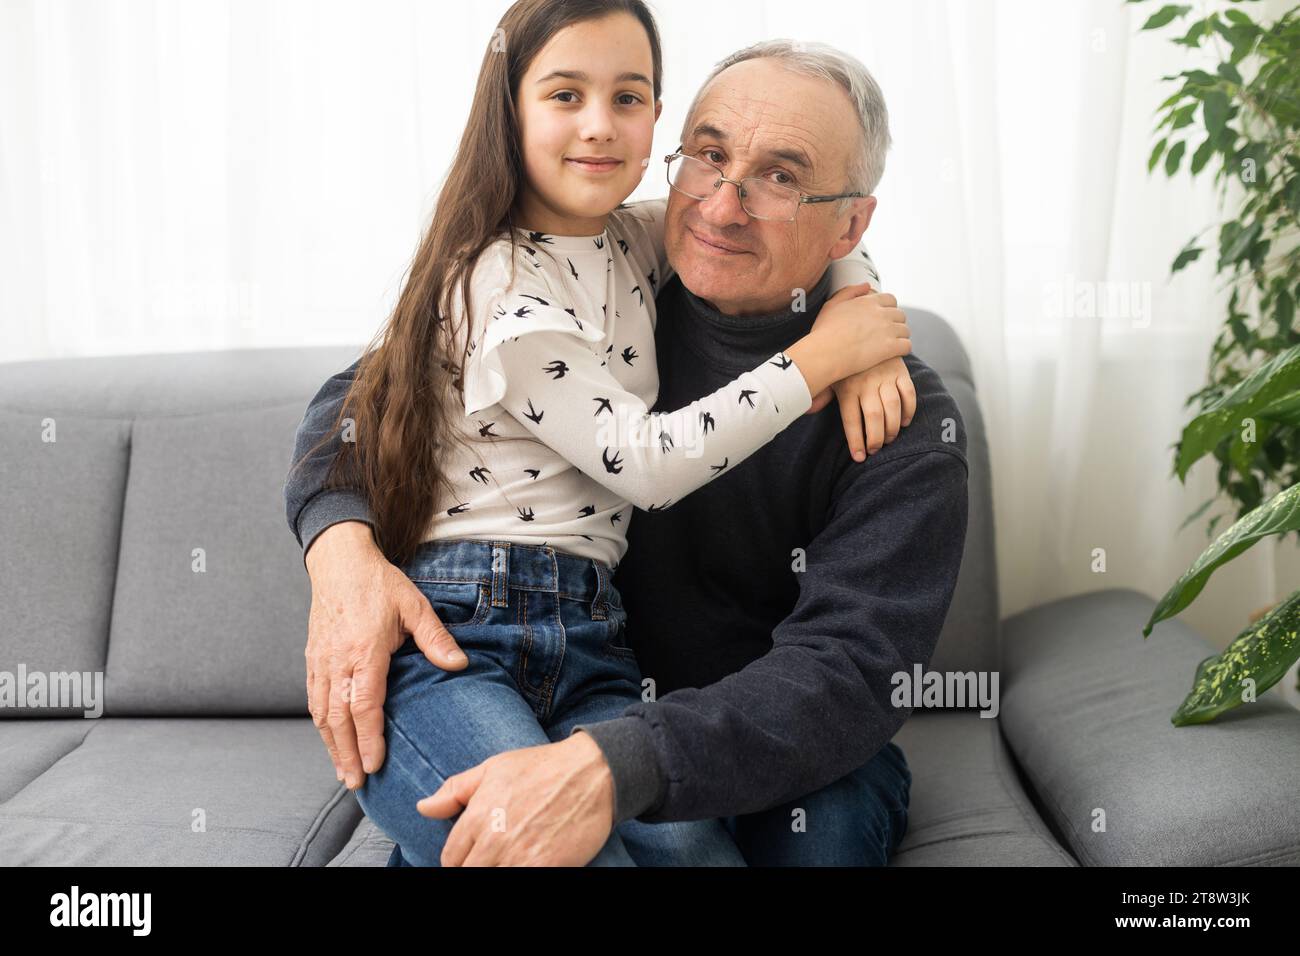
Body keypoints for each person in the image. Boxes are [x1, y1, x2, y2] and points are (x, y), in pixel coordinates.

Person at [288, 15, 970, 866]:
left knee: (816, 845)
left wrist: (857, 316)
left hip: (763, 731)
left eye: (781, 178)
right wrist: (341, 549)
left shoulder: (900, 420)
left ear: (850, 225)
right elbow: (359, 402)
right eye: (710, 156)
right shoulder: (604, 273)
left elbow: (847, 675)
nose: (724, 205)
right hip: (519, 659)